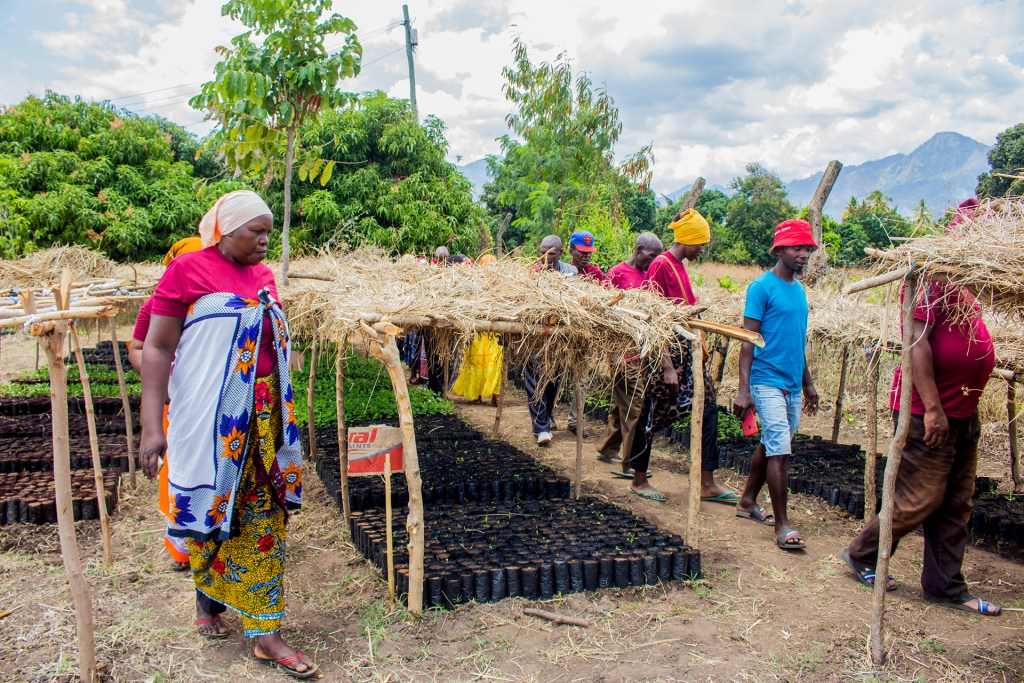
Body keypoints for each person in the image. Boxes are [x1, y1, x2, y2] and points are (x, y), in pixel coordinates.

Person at [139, 190, 317, 677]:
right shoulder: (187, 269)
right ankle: (209, 604)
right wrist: (152, 426)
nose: (265, 240)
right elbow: (155, 347)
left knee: (264, 520)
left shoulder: (263, 274)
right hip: (210, 420)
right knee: (213, 513)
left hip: (263, 418)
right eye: (255, 232)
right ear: (226, 231)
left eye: (268, 231)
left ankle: (265, 632)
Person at [841, 201, 1001, 615]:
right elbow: (917, 342)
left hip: (965, 410)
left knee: (956, 502)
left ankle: (946, 586)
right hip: (927, 410)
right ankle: (862, 553)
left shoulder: (964, 283)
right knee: (920, 498)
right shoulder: (929, 277)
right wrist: (933, 409)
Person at [625, 210, 735, 502]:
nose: (701, 250)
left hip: (685, 355)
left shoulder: (679, 265)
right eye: (700, 244)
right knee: (650, 413)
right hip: (666, 355)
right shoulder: (661, 265)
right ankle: (638, 478)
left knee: (709, 408)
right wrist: (667, 366)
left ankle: (707, 481)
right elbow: (653, 318)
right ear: (687, 241)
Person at [733, 219, 819, 551]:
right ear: (779, 249)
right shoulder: (762, 288)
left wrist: (807, 383)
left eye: (807, 249)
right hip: (765, 381)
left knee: (771, 444)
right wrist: (744, 390)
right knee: (780, 450)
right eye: (797, 248)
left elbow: (797, 342)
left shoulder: (799, 291)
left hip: (791, 384)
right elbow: (747, 341)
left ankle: (747, 501)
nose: (803, 255)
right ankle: (782, 526)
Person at [129, 237, 204, 572]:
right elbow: (139, 347)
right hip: (177, 401)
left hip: (211, 403)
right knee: (180, 470)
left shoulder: (218, 299)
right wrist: (169, 381)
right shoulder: (159, 302)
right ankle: (183, 549)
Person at [596, 232, 663, 468]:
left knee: (624, 403)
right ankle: (631, 463)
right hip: (622, 353)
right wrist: (611, 352)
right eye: (653, 255)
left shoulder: (650, 276)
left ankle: (607, 448)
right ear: (639, 250)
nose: (655, 260)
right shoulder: (616, 273)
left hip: (642, 352)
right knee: (636, 406)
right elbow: (603, 314)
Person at [525, 235, 577, 445]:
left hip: (559, 340)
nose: (545, 257)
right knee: (535, 380)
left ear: (561, 254)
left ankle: (547, 418)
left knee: (553, 381)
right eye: (542, 252)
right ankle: (541, 428)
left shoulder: (570, 273)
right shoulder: (532, 272)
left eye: (551, 253)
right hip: (536, 337)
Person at [451, 255, 503, 406]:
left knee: (495, 361)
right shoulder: (474, 284)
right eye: (487, 266)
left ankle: (496, 394)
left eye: (493, 267)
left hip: (495, 333)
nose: (490, 270)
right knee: (476, 361)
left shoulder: (502, 285)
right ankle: (476, 394)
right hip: (478, 332)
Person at [566, 230, 603, 436]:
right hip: (561, 335)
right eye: (581, 252)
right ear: (571, 251)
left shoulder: (596, 275)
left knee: (581, 380)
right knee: (553, 376)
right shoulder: (562, 271)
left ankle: (575, 421)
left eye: (589, 252)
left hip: (584, 336)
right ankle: (546, 420)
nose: (586, 256)